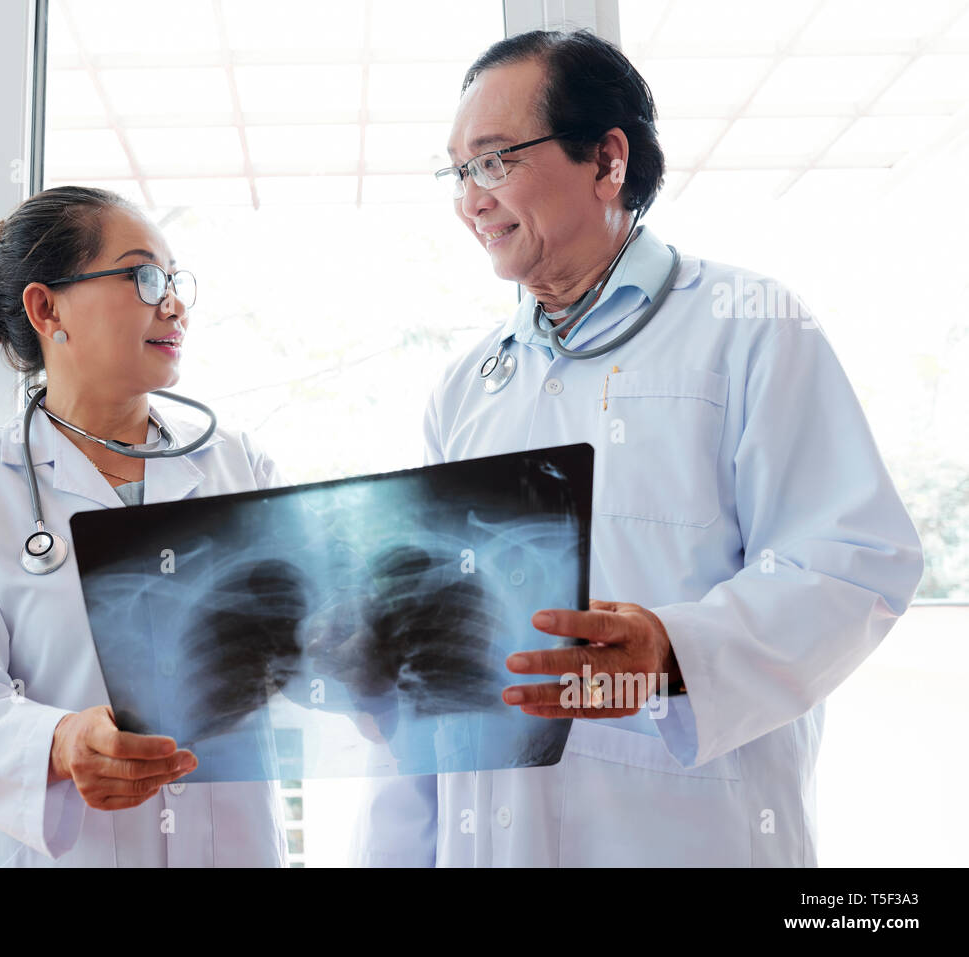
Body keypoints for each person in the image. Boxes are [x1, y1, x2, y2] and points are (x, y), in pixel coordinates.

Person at [352, 29, 924, 866]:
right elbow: (431, 670)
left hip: (686, 835)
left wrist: (674, 652)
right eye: (457, 172)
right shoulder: (466, 387)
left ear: (606, 158)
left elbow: (852, 561)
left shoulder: (749, 326)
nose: (471, 199)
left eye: (495, 159)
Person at [0, 186, 290, 866]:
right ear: (47, 307)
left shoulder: (240, 466)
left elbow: (315, 644)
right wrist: (60, 742)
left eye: (175, 279)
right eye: (143, 276)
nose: (174, 302)